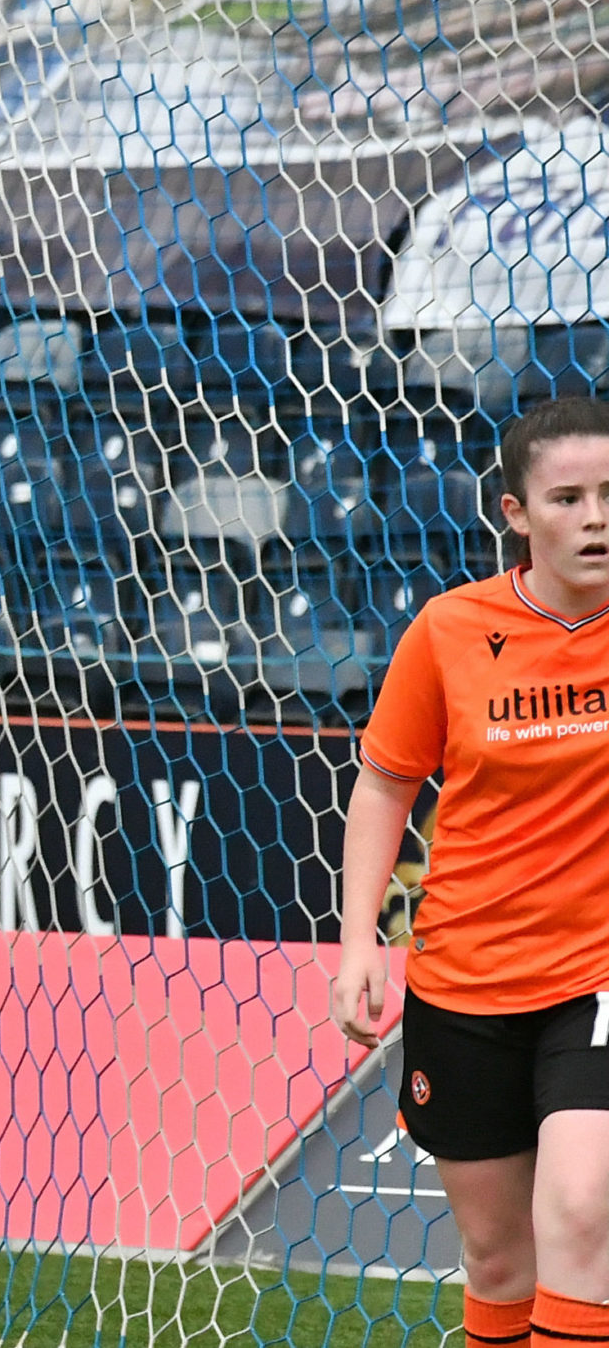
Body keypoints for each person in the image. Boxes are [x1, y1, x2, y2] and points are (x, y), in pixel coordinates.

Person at [334, 396, 609, 1348]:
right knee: (496, 1261)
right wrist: (359, 942)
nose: (596, 518)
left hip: (596, 975)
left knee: (581, 1210)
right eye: (568, 498)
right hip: (464, 979)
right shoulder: (451, 630)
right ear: (516, 513)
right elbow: (384, 785)